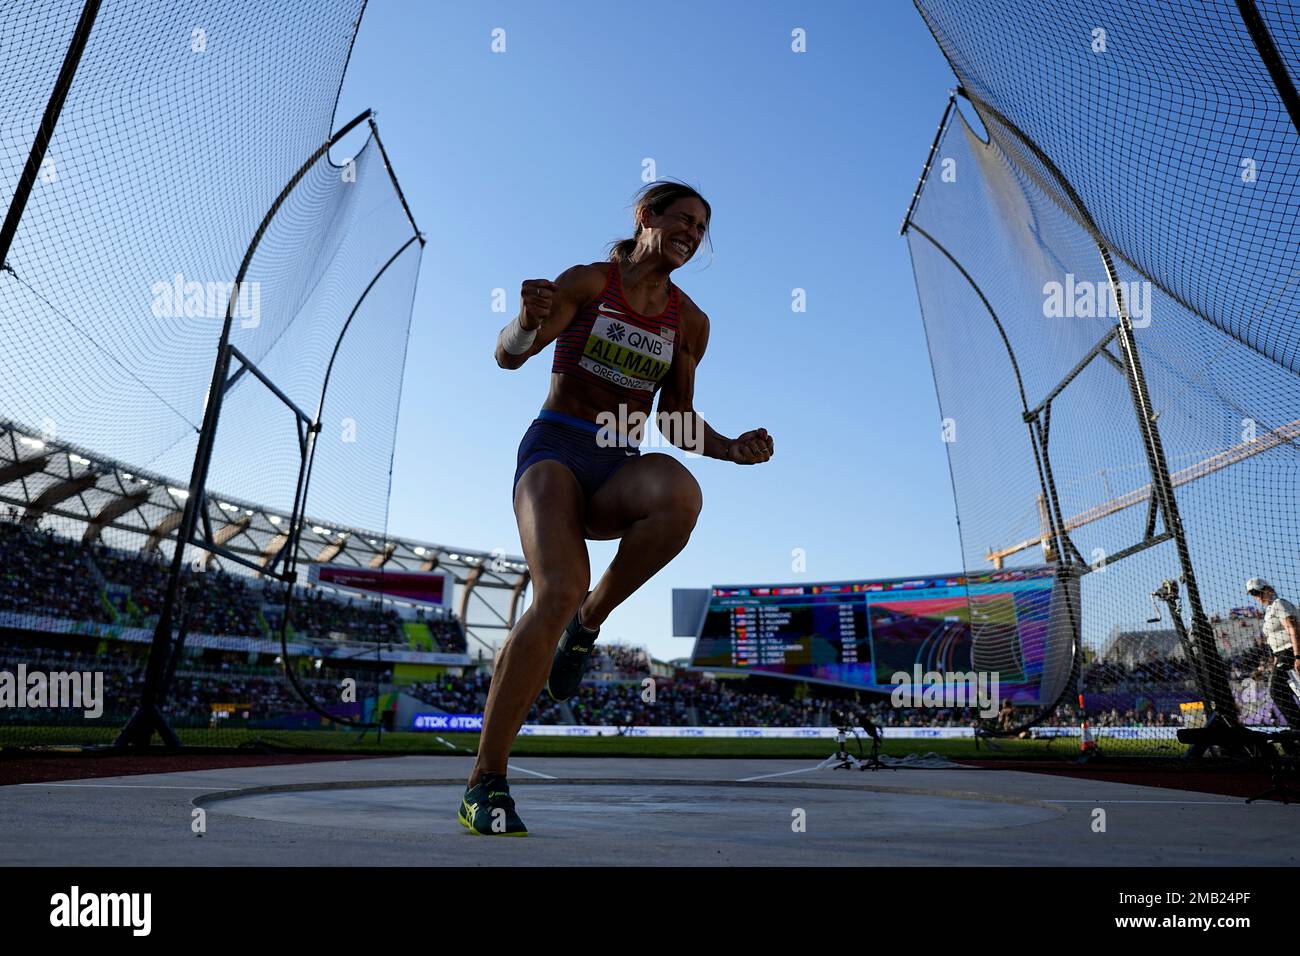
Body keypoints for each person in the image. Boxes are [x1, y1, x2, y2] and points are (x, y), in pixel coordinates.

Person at [457, 181, 774, 835]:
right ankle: (485, 782)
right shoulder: (587, 282)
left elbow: (678, 423)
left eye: (702, 227)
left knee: (683, 493)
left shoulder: (690, 322)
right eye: (682, 219)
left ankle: (590, 623)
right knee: (554, 591)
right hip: (555, 454)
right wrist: (523, 320)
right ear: (645, 218)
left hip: (617, 469)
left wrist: (730, 448)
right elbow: (507, 358)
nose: (692, 232)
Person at [1246, 577, 1300, 737]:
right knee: (1289, 690)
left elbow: (1293, 628)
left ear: (1267, 588)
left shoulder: (1279, 604)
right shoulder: (1269, 610)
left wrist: (1298, 656)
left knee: (1276, 690)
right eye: (1253, 594)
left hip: (1290, 651)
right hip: (1281, 654)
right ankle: (1296, 728)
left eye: (1257, 592)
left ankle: (1297, 729)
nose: (1257, 597)